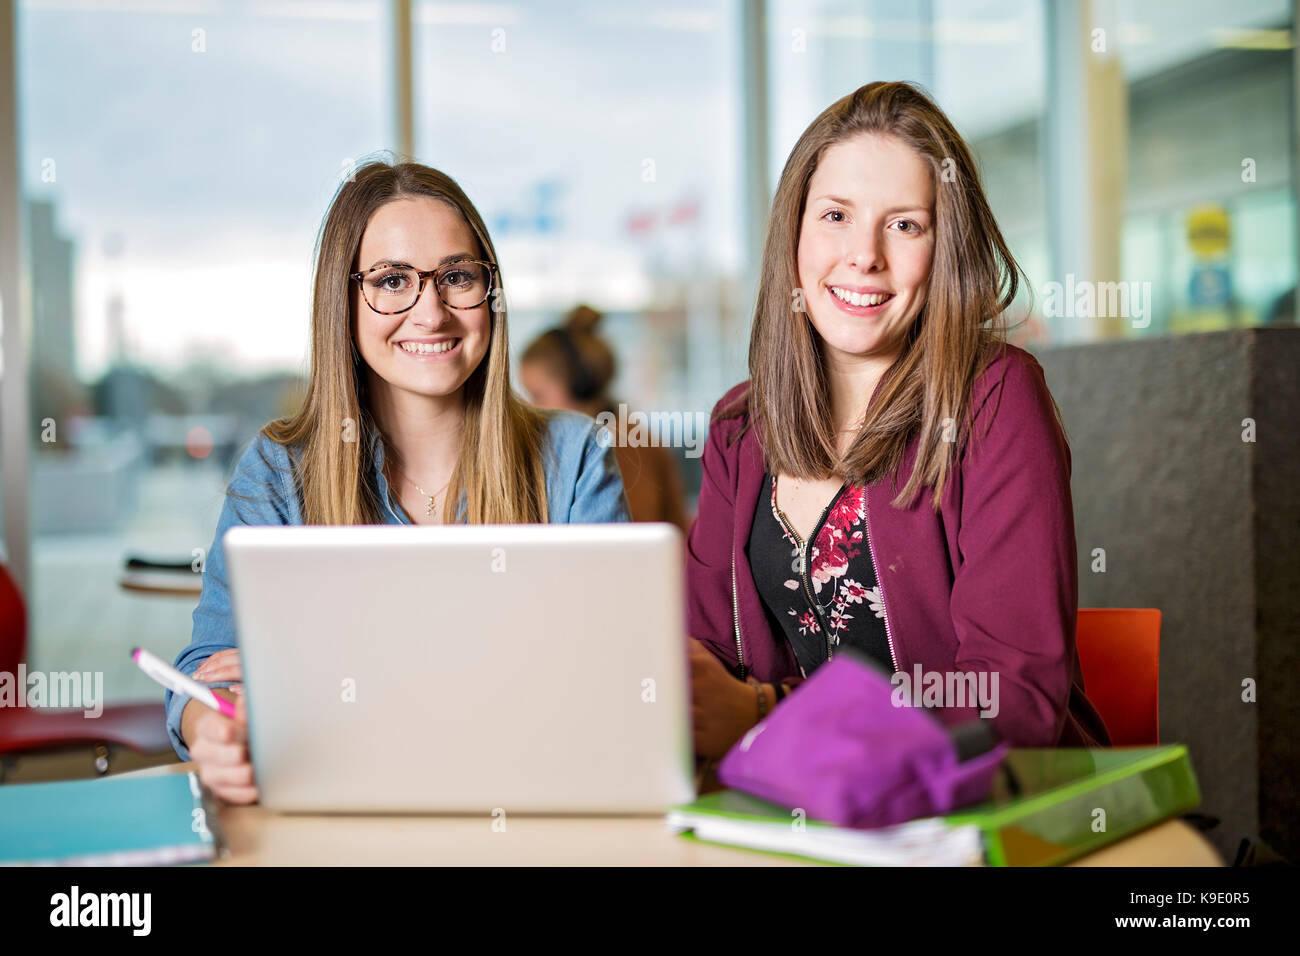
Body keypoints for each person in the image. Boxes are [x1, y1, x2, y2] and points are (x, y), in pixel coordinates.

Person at [169, 161, 630, 803]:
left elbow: (610, 679)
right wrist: (209, 727)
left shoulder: (573, 455)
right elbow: (208, 670)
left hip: (526, 804)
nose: (432, 311)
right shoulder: (278, 470)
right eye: (391, 281)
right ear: (345, 301)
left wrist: (322, 676)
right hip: (334, 811)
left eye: (458, 277)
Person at [686, 81, 1109, 762]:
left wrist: (766, 715)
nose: (865, 255)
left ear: (946, 251)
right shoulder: (740, 424)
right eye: (835, 216)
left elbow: (1015, 697)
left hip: (964, 815)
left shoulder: (995, 398)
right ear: (793, 230)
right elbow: (703, 651)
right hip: (791, 807)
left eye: (904, 224)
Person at [521, 305, 691, 533]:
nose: (530, 407)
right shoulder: (633, 435)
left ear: (580, 386)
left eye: (538, 395)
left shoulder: (626, 447)